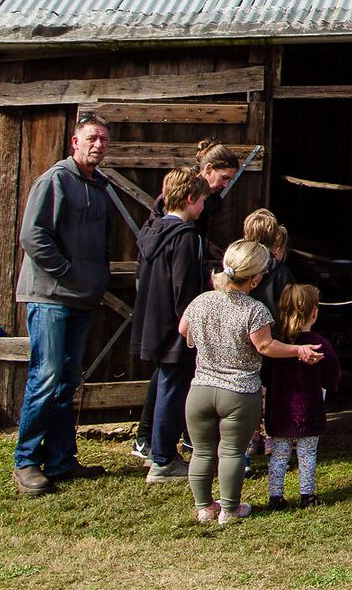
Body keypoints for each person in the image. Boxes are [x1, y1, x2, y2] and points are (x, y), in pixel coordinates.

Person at [180, 239, 324, 524]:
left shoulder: (201, 300)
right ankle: (230, 509)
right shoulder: (254, 310)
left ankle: (204, 508)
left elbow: (184, 329)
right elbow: (266, 346)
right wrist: (298, 350)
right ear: (256, 278)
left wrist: (203, 341)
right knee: (232, 451)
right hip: (238, 391)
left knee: (203, 451)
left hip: (200, 389)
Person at [11, 113, 114, 496]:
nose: (98, 145)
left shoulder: (99, 187)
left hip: (82, 299)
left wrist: (95, 280)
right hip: (50, 297)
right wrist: (70, 273)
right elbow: (33, 237)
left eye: (104, 139)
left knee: (67, 381)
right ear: (75, 141)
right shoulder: (56, 180)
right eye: (92, 138)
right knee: (46, 376)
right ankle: (26, 462)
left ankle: (60, 460)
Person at [132, 140, 241, 464]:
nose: (223, 188)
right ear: (205, 173)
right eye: (221, 180)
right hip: (177, 316)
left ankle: (162, 440)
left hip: (161, 313)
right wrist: (192, 316)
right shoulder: (182, 233)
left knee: (170, 376)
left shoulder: (171, 226)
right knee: (172, 379)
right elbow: (180, 283)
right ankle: (157, 447)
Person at [130, 167, 209, 485]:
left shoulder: (152, 231)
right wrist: (194, 326)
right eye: (203, 200)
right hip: (178, 327)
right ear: (190, 199)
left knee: (165, 384)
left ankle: (159, 451)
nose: (204, 206)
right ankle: (162, 459)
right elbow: (184, 289)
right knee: (173, 390)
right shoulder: (186, 238)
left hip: (153, 322)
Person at [263, 284, 341, 509]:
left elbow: (266, 375)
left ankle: (275, 495)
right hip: (308, 407)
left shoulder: (277, 346)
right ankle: (307, 494)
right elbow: (332, 374)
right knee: (307, 453)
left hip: (280, 407)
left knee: (279, 453)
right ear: (314, 313)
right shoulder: (319, 344)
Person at [242, 208, 296, 319]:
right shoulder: (282, 274)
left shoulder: (237, 264)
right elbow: (291, 310)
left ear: (246, 236)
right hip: (269, 332)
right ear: (274, 238)